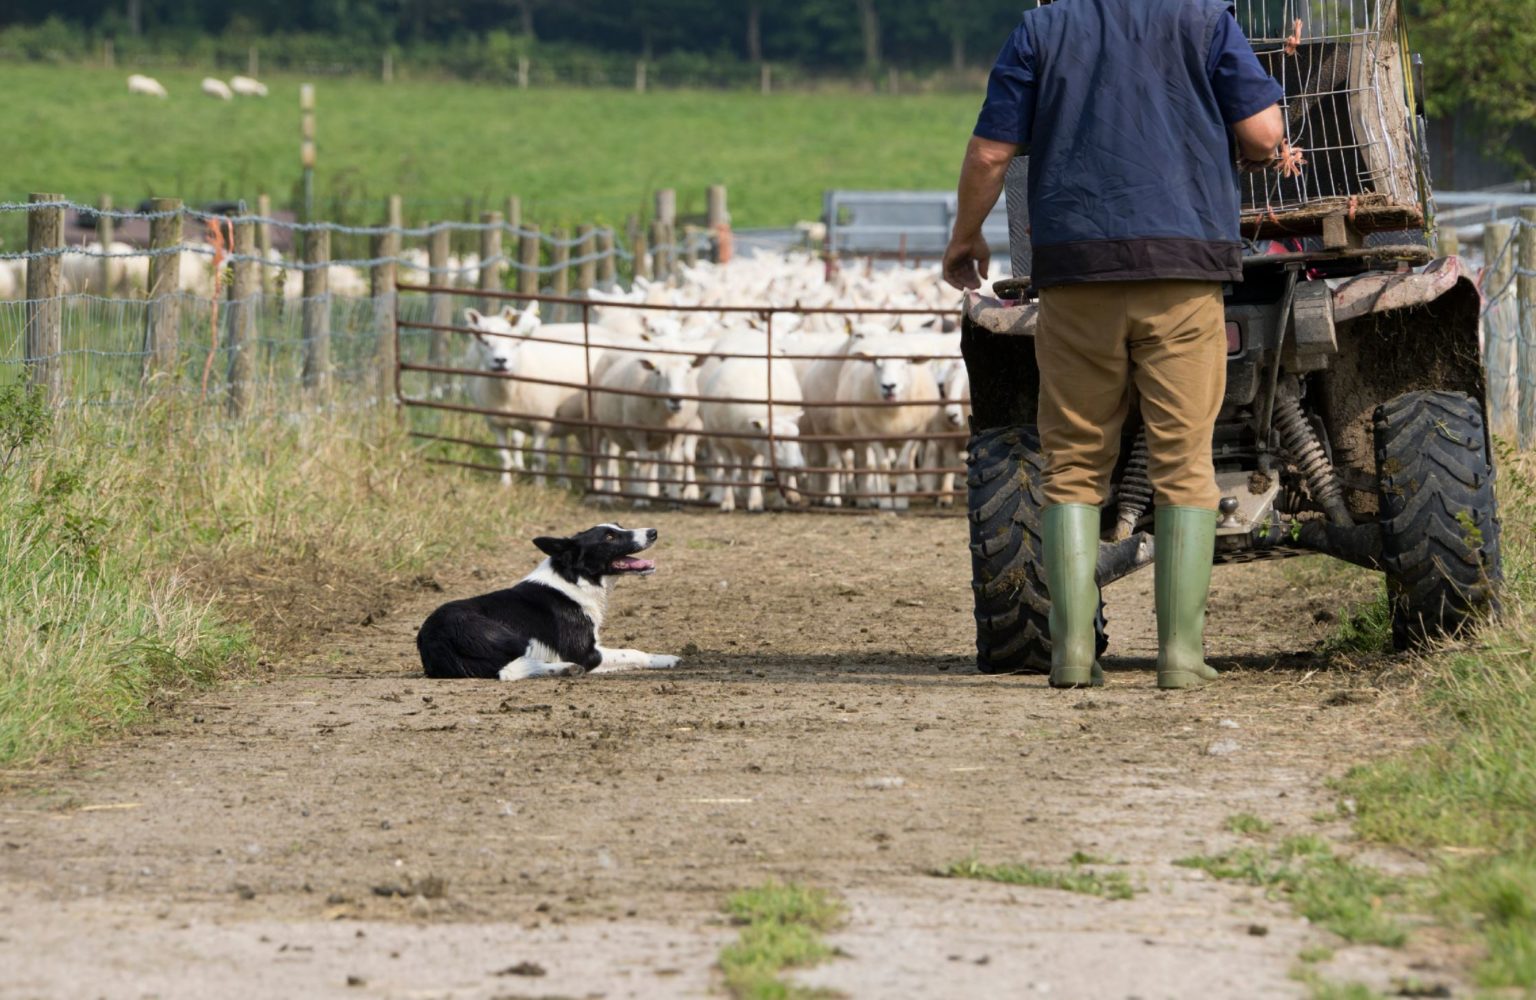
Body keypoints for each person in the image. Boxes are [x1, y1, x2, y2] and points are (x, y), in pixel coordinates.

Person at [942, 0, 1287, 690]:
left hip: (1077, 275)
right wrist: (1258, 147)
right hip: (1182, 274)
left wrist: (965, 235)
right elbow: (1261, 130)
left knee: (1071, 463)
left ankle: (1072, 654)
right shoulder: (1205, 20)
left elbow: (989, 151)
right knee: (1184, 461)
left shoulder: (1042, 29)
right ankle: (1181, 658)